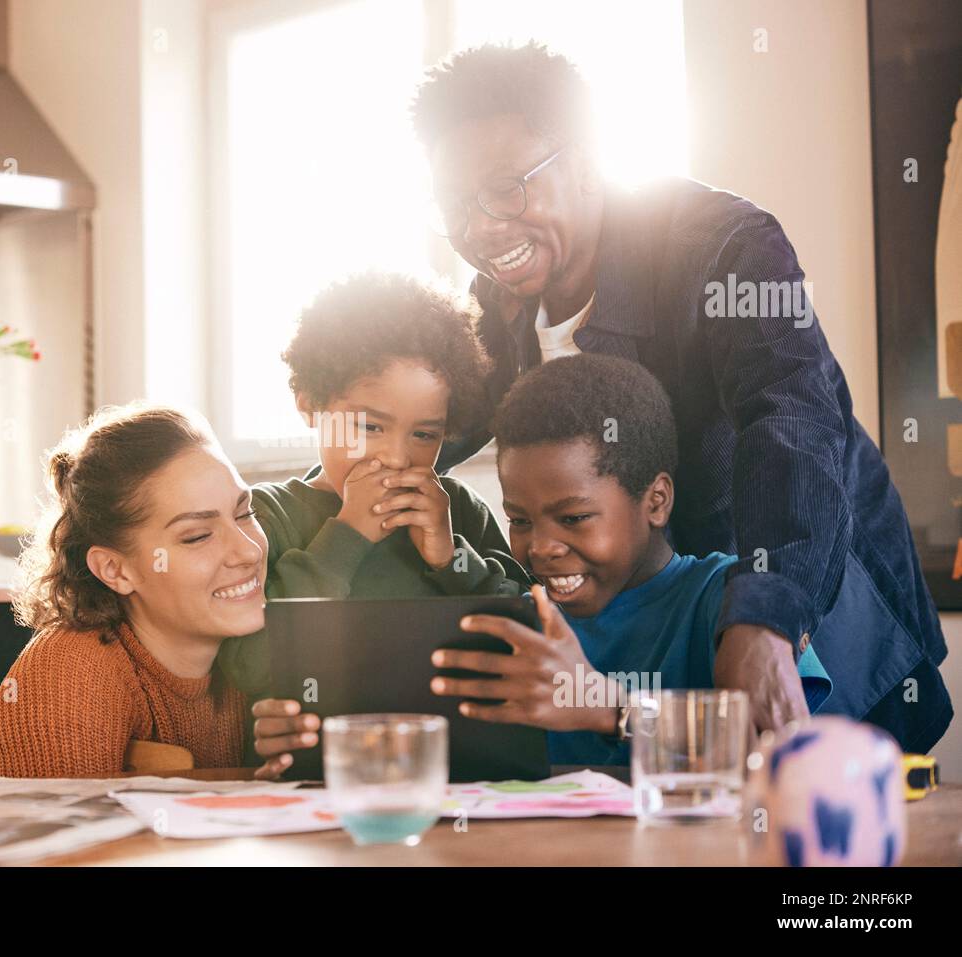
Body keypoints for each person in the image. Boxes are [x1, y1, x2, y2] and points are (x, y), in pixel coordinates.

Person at [406, 41, 950, 749]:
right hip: (662, 665)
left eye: (507, 189)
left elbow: (792, 420)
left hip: (805, 614)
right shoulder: (500, 301)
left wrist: (766, 615)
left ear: (589, 160)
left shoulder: (725, 246)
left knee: (823, 810)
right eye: (455, 205)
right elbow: (438, 420)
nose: (479, 228)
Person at [252, 354, 832, 774]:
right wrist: (300, 734)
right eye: (521, 521)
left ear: (656, 500)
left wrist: (607, 709)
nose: (542, 548)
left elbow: (786, 761)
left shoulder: (726, 601)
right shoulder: (515, 612)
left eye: (575, 518)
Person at [217, 271, 531, 699]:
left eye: (425, 435)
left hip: (459, 760)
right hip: (323, 760)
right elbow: (251, 670)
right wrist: (346, 538)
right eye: (369, 426)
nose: (397, 458)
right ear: (310, 404)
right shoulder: (266, 517)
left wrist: (450, 558)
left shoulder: (456, 511)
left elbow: (526, 650)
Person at [0, 403, 266, 777]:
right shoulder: (74, 670)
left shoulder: (248, 661)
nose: (248, 550)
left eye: (244, 514)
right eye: (197, 536)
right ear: (115, 569)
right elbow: (65, 833)